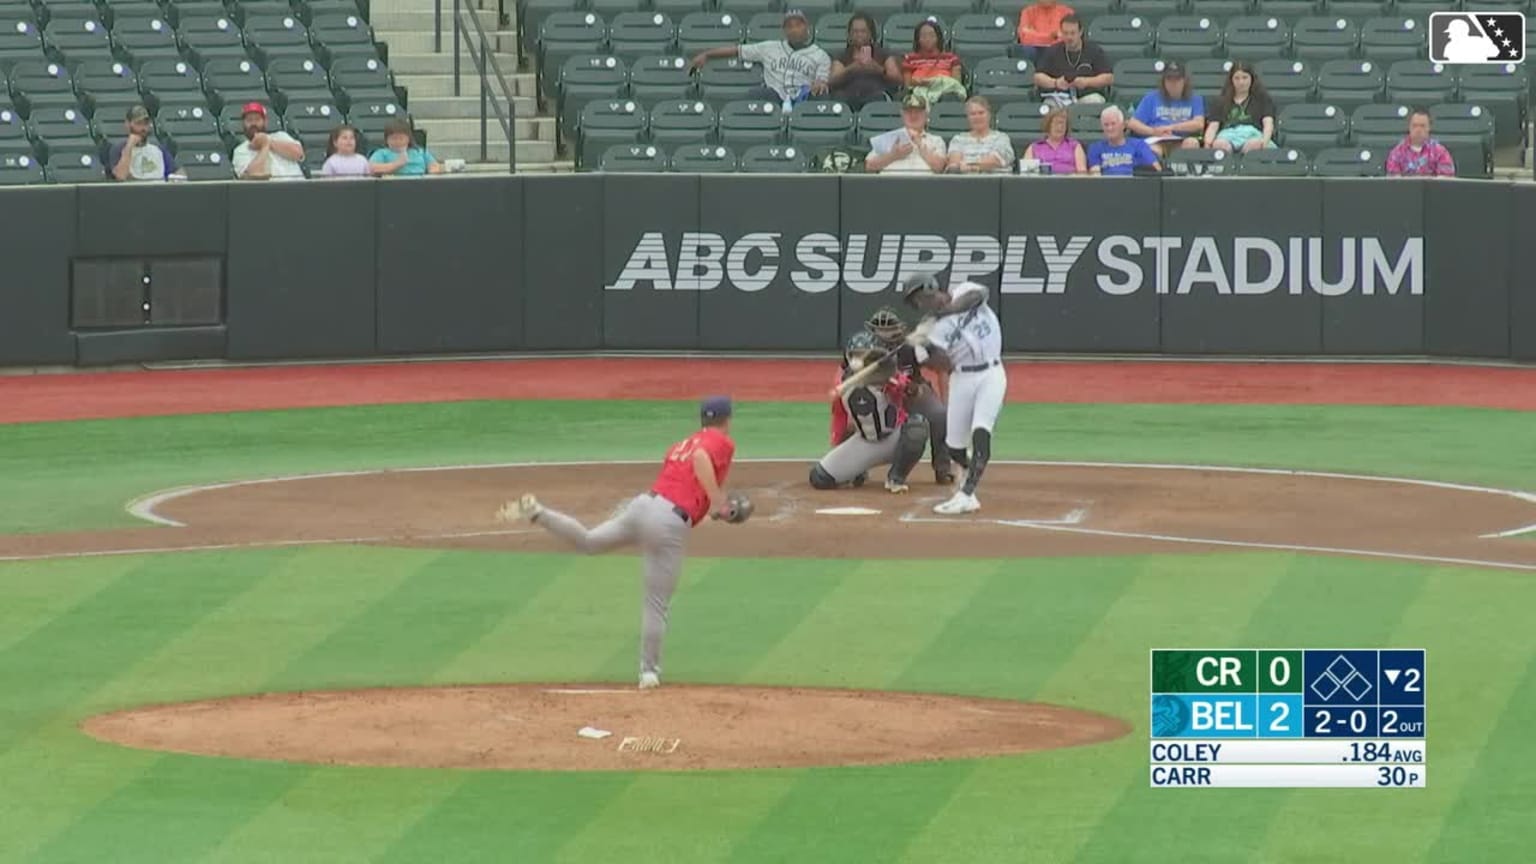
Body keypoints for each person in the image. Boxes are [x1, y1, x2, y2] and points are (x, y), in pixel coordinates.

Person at [500, 397, 742, 690]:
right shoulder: (719, 441)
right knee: (656, 603)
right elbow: (701, 460)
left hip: (644, 506)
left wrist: (719, 511)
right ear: (727, 419)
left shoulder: (681, 444)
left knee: (589, 542)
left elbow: (692, 495)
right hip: (667, 521)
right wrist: (720, 501)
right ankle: (648, 672)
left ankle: (538, 512)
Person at [902, 274, 1007, 515]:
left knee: (981, 430)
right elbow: (944, 365)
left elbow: (978, 296)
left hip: (991, 374)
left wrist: (945, 312)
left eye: (918, 298)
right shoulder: (929, 330)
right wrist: (924, 345)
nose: (919, 305)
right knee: (955, 448)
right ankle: (972, 473)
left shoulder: (965, 291)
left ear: (930, 289)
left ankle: (967, 494)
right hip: (962, 379)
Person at [809, 332, 930, 493]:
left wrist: (907, 387)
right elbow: (840, 418)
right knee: (820, 478)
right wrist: (838, 446)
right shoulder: (843, 383)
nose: (859, 359)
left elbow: (910, 390)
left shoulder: (887, 378)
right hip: (865, 442)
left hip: (895, 439)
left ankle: (896, 478)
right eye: (855, 355)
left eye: (863, 354)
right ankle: (858, 472)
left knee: (917, 426)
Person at [865, 306, 954, 483]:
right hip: (878, 395)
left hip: (914, 392)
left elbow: (942, 368)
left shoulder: (911, 347)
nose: (885, 334)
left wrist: (945, 402)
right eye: (881, 329)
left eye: (889, 329)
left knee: (939, 416)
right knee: (858, 417)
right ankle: (855, 469)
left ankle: (942, 468)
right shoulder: (864, 348)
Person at [690, 9, 830, 106]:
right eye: (789, 26)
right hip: (774, 99)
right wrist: (707, 54)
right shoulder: (769, 48)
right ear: (784, 31)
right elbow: (737, 50)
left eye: (798, 25)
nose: (794, 29)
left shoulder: (820, 55)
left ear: (807, 27)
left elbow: (822, 81)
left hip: (803, 100)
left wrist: (819, 84)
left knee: (822, 95)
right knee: (756, 94)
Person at [1126, 61, 1204, 158]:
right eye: (1169, 79)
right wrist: (1153, 131)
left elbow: (1199, 123)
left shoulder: (1195, 98)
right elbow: (1133, 123)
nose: (1173, 83)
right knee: (1152, 150)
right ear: (1164, 81)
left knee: (1192, 143)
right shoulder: (1151, 97)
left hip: (1181, 140)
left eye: (1177, 79)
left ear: (1184, 80)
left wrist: (1171, 128)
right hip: (1156, 139)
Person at [1032, 15, 1112, 106]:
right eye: (1065, 33)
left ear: (1080, 32)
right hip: (1059, 97)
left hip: (1087, 96)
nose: (1069, 37)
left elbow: (1108, 77)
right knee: (1048, 105)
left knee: (1095, 101)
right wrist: (1055, 83)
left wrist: (1087, 82)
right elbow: (1038, 77)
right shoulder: (1052, 51)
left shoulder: (1094, 50)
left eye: (1073, 33)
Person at [829, 13, 902, 111]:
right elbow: (832, 81)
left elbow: (898, 80)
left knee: (878, 99)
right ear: (849, 34)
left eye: (863, 31)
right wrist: (851, 68)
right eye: (855, 31)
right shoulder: (843, 55)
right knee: (839, 99)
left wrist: (878, 69)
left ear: (871, 33)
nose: (859, 35)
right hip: (848, 97)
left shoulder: (883, 54)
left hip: (876, 96)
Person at [865, 90, 948, 174]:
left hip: (923, 184)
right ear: (902, 114)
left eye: (918, 112)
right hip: (891, 183)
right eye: (909, 112)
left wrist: (920, 144)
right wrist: (893, 155)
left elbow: (939, 167)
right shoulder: (890, 137)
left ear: (926, 115)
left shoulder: (936, 140)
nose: (913, 115)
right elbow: (870, 165)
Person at [1202, 61, 1277, 154]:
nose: (1241, 82)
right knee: (1219, 145)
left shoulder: (1263, 99)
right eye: (1237, 78)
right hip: (1227, 135)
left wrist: (1264, 142)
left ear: (1252, 79)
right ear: (1231, 80)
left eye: (1245, 78)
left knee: (1254, 145)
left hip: (1253, 135)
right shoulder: (1220, 101)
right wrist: (1208, 144)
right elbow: (1213, 126)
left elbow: (1268, 124)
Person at [107, 105, 185, 182]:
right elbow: (120, 176)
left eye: (145, 124)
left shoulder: (158, 149)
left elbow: (179, 173)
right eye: (139, 123)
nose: (143, 128)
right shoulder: (118, 148)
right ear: (128, 125)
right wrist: (129, 146)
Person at [232, 102, 306, 180]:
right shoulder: (240, 151)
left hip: (298, 187)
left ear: (265, 122)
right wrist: (264, 146)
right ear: (243, 124)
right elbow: (253, 177)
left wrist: (269, 141)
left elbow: (299, 154)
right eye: (249, 120)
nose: (253, 123)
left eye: (257, 119)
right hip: (267, 190)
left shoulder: (281, 136)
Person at [903, 19, 966, 105]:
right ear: (918, 39)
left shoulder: (951, 58)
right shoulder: (910, 59)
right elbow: (908, 84)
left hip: (944, 92)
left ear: (938, 38)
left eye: (931, 35)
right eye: (923, 36)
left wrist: (936, 82)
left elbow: (955, 83)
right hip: (919, 92)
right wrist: (921, 83)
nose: (927, 39)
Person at [946, 95, 1014, 174]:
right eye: (973, 114)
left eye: (981, 113)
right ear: (968, 117)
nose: (977, 117)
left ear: (989, 115)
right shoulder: (958, 139)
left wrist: (970, 166)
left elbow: (996, 160)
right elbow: (955, 164)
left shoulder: (1001, 138)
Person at [1088, 105, 1160, 175]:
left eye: (1113, 124)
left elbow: (1156, 168)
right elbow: (1095, 176)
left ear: (1123, 125)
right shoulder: (1095, 148)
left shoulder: (1139, 145)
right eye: (1106, 125)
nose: (1110, 128)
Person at [1385, 110, 1456, 177]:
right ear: (1409, 127)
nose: (1418, 130)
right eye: (1415, 126)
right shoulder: (1397, 153)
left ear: (1429, 128)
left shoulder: (1440, 152)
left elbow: (1446, 179)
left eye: (1422, 126)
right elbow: (1393, 181)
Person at [369, 118, 443, 176]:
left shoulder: (420, 151)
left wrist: (433, 171)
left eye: (401, 138)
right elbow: (372, 169)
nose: (397, 142)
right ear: (387, 140)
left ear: (408, 138)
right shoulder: (381, 153)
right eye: (393, 138)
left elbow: (434, 166)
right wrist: (397, 164)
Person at [1027, 106, 1087, 174]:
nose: (1059, 127)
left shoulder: (1075, 146)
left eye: (1062, 123)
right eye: (1056, 123)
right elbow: (1027, 174)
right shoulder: (1034, 147)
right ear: (1048, 125)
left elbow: (1082, 173)